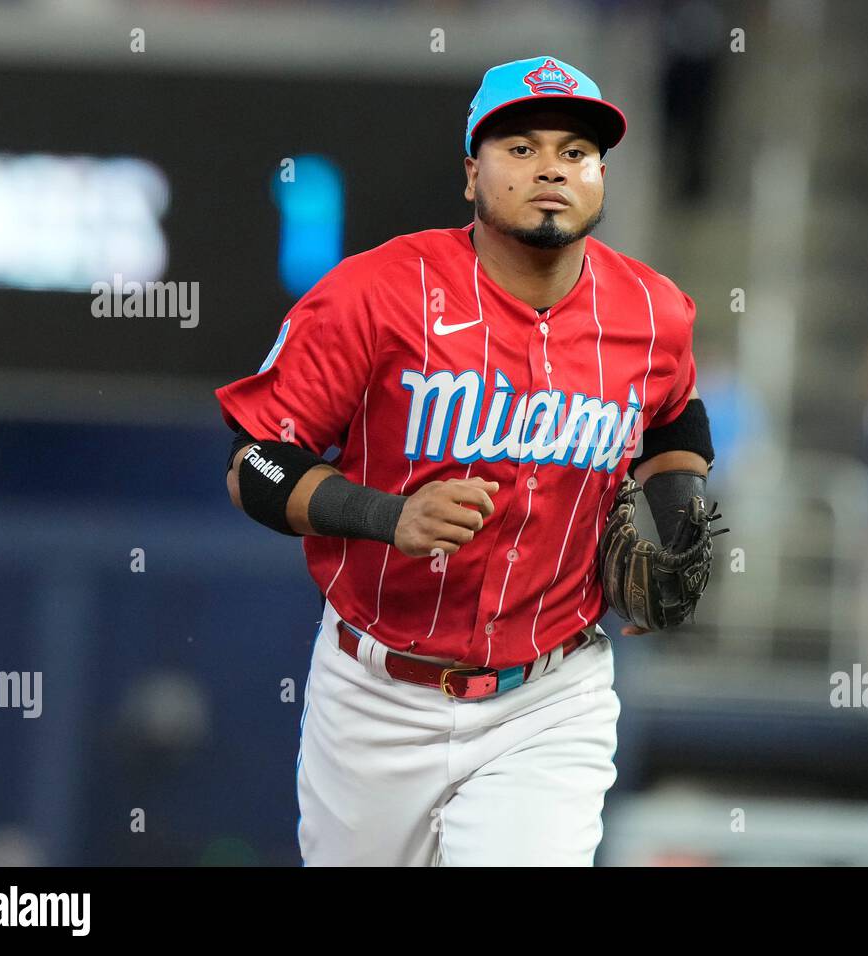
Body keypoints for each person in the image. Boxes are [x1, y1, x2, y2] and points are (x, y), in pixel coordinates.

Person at [215, 56, 718, 866]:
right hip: (377, 691)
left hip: (551, 693)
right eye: (520, 148)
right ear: (469, 175)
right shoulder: (371, 294)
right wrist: (388, 515)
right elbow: (257, 465)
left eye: (575, 151)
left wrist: (682, 521)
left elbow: (672, 420)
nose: (552, 165)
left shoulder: (653, 310)